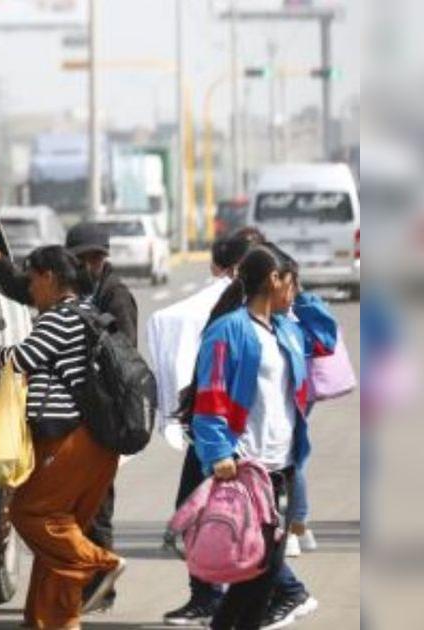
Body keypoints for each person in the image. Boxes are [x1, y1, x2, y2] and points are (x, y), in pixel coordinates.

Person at [183, 244, 336, 630]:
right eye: (291, 282)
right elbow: (211, 394)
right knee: (254, 571)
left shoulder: (285, 328)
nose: (294, 290)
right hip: (245, 469)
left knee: (261, 574)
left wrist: (301, 296)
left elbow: (325, 340)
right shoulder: (230, 330)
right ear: (274, 279)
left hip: (282, 466)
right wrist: (218, 452)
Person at [0, 245, 127, 629]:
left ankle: (100, 563)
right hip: (96, 443)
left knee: (31, 513)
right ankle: (55, 621)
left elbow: (20, 360)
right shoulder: (87, 313)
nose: (30, 289)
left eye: (31, 280)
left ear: (47, 277)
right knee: (57, 537)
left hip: (71, 439)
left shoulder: (59, 317)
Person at [152, 230, 264, 625]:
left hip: (227, 439)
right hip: (228, 437)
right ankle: (217, 597)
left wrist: (215, 448)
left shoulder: (237, 319)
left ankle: (240, 597)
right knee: (220, 518)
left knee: (224, 519)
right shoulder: (235, 314)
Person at [65, 221, 137, 611]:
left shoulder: (116, 297)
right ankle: (87, 583)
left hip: (105, 419)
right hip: (80, 417)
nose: (88, 264)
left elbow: (125, 358)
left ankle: (101, 587)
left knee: (98, 509)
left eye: (94, 258)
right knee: (77, 506)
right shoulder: (77, 291)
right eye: (81, 258)